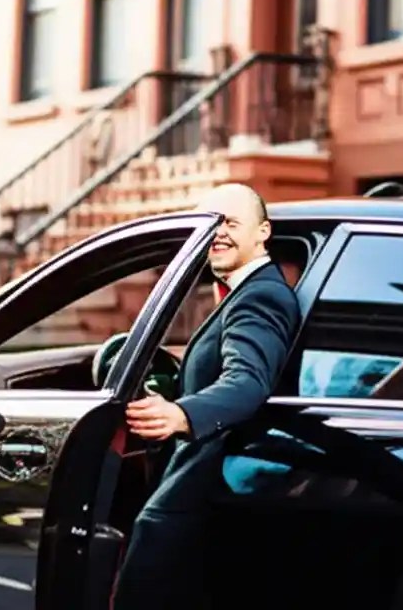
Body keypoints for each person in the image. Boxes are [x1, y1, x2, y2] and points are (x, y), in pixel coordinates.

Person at [112, 183, 302, 609]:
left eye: (231, 223)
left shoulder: (261, 296)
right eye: (210, 223)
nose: (218, 233)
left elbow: (248, 381)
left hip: (208, 472)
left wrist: (180, 414)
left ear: (263, 232)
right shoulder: (244, 292)